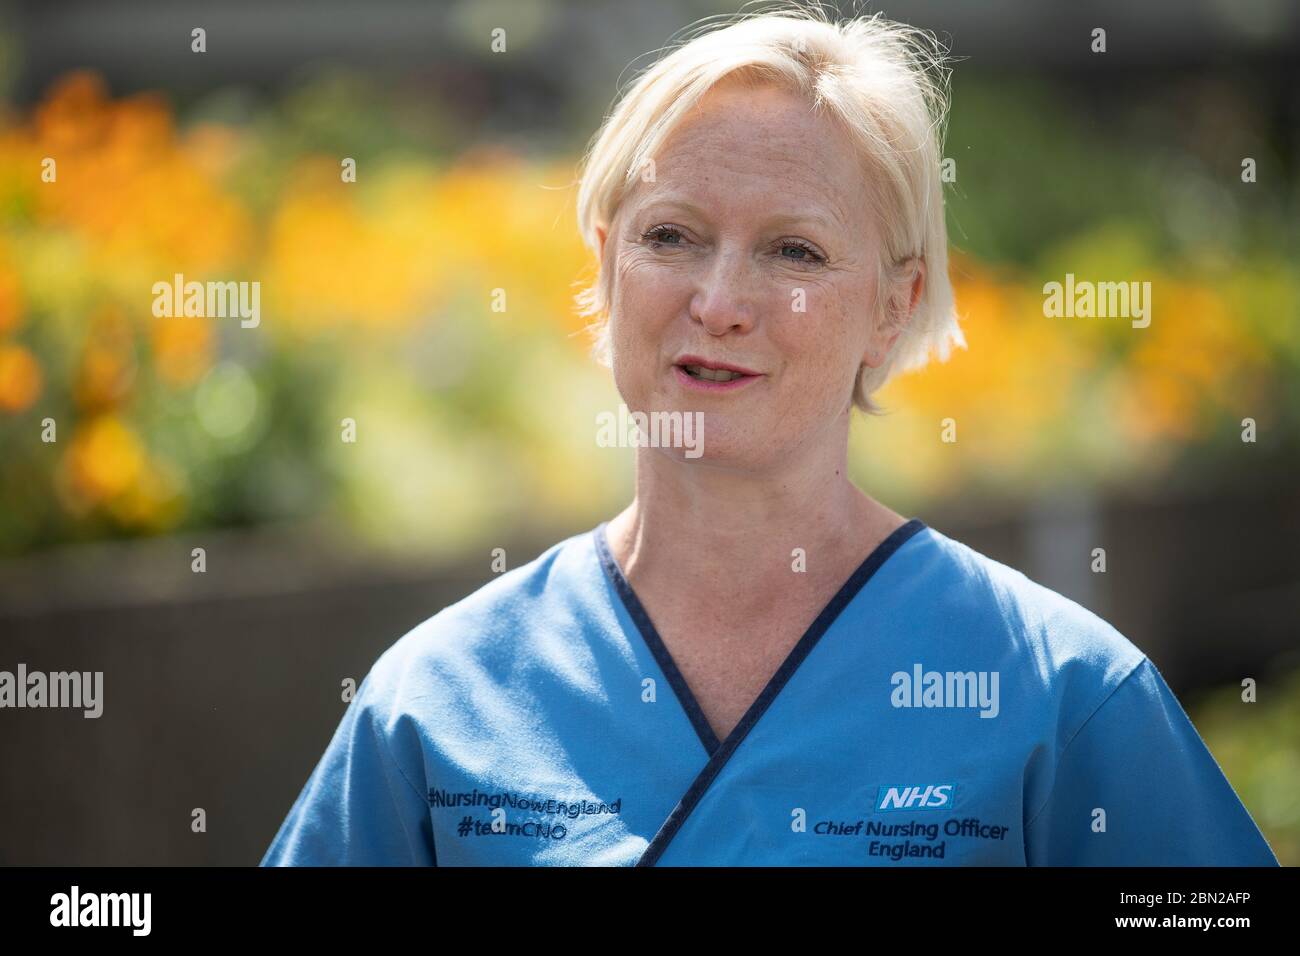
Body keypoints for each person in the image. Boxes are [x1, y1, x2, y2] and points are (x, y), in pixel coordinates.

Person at [261, 5, 1279, 866]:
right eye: (671, 236)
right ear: (608, 264)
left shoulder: (1065, 700)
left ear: (894, 303)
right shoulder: (436, 702)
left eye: (793, 250)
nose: (718, 301)